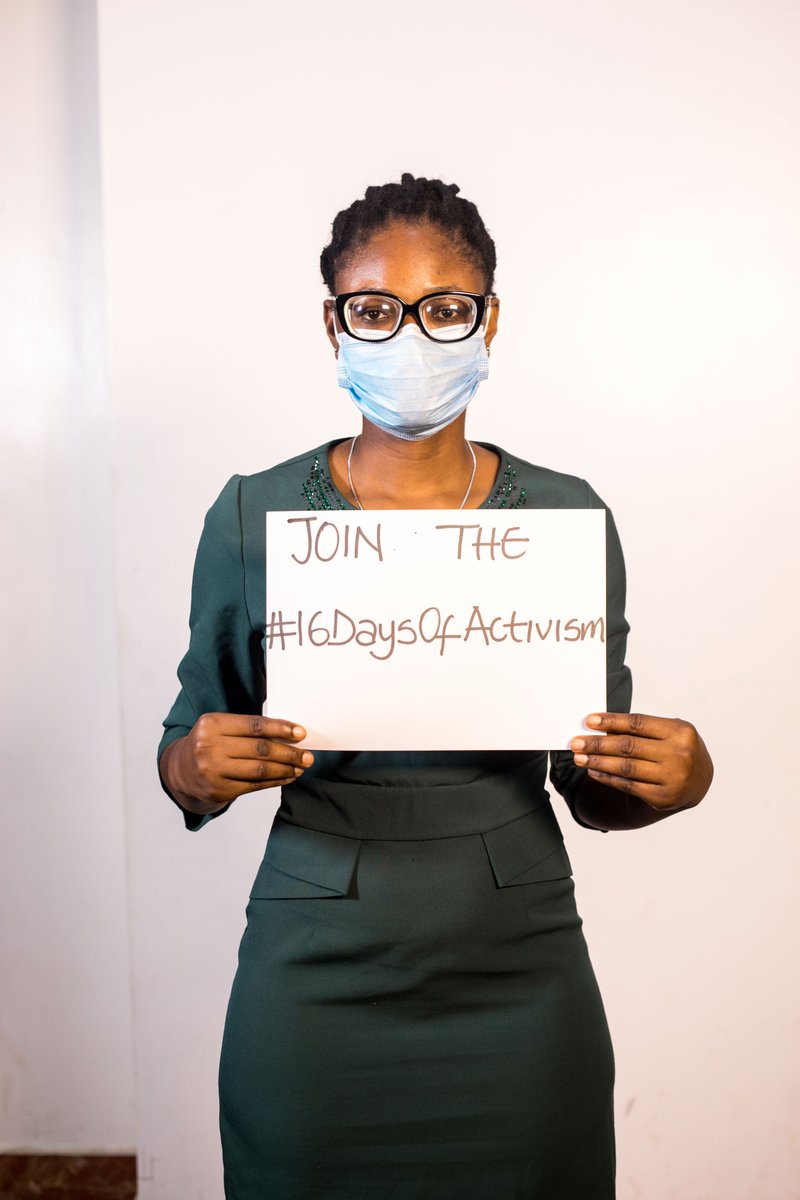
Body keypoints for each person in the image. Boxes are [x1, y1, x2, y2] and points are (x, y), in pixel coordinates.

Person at [158, 173, 713, 1200]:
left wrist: (670, 781)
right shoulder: (251, 515)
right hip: (315, 966)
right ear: (334, 324)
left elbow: (589, 783)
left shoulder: (565, 518)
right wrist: (196, 765)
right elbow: (188, 748)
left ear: (487, 319)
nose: (409, 337)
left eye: (443, 308)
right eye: (374, 310)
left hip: (519, 967)